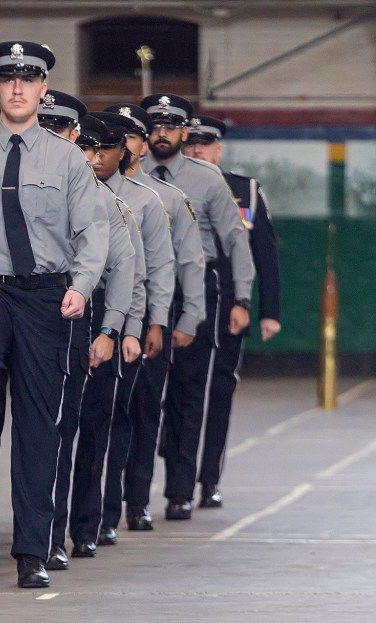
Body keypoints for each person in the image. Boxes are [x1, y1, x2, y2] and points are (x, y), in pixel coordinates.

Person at [0, 41, 109, 588]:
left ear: (41, 89)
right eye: (7, 79)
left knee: (40, 424)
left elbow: (93, 231)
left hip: (47, 296)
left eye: (27, 79)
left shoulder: (67, 161)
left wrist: (81, 286)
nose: (16, 88)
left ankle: (32, 550)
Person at [140, 93, 255, 520]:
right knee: (146, 398)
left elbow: (236, 242)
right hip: (146, 288)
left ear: (183, 133)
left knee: (190, 396)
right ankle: (135, 497)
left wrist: (241, 298)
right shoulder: (133, 176)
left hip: (196, 289)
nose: (163, 134)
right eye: (156, 126)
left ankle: (180, 492)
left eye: (172, 127)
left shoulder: (208, 180)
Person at [35, 93, 137, 572]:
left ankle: (85, 526)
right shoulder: (23, 190)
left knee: (91, 430)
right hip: (41, 319)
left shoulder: (105, 201)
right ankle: (48, 535)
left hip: (88, 323)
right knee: (49, 434)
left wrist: (111, 330)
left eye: (64, 131)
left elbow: (123, 270)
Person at [69, 109, 174, 553]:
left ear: (122, 153)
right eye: (85, 148)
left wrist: (136, 327)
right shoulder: (60, 194)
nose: (93, 158)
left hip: (111, 321)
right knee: (55, 426)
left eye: (104, 149)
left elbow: (141, 271)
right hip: (61, 315)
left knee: (107, 423)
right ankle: (53, 524)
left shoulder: (140, 200)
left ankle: (101, 517)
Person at [182, 114, 281, 507]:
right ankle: (178, 474)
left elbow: (265, 254)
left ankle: (208, 480)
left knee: (219, 391)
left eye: (204, 143)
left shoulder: (246, 192)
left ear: (218, 149)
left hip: (228, 309)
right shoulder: (167, 186)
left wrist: (268, 311)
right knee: (178, 395)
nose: (196, 150)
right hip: (180, 303)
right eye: (190, 143)